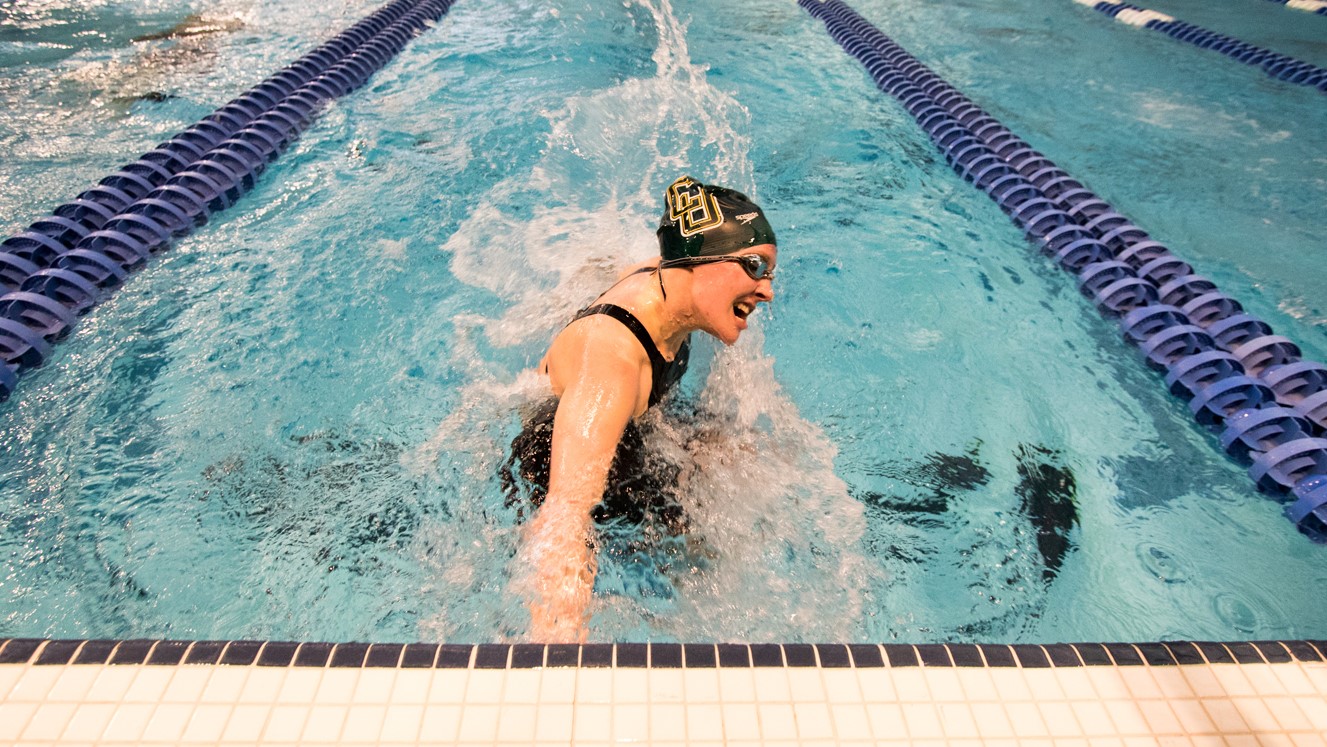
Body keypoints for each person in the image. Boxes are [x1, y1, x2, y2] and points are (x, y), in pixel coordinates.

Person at [509, 175, 779, 642]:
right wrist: (557, 642)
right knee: (702, 553)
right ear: (700, 262)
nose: (767, 291)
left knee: (749, 454)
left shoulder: (671, 280)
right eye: (755, 267)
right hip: (558, 453)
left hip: (631, 423)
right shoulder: (613, 365)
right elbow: (564, 513)